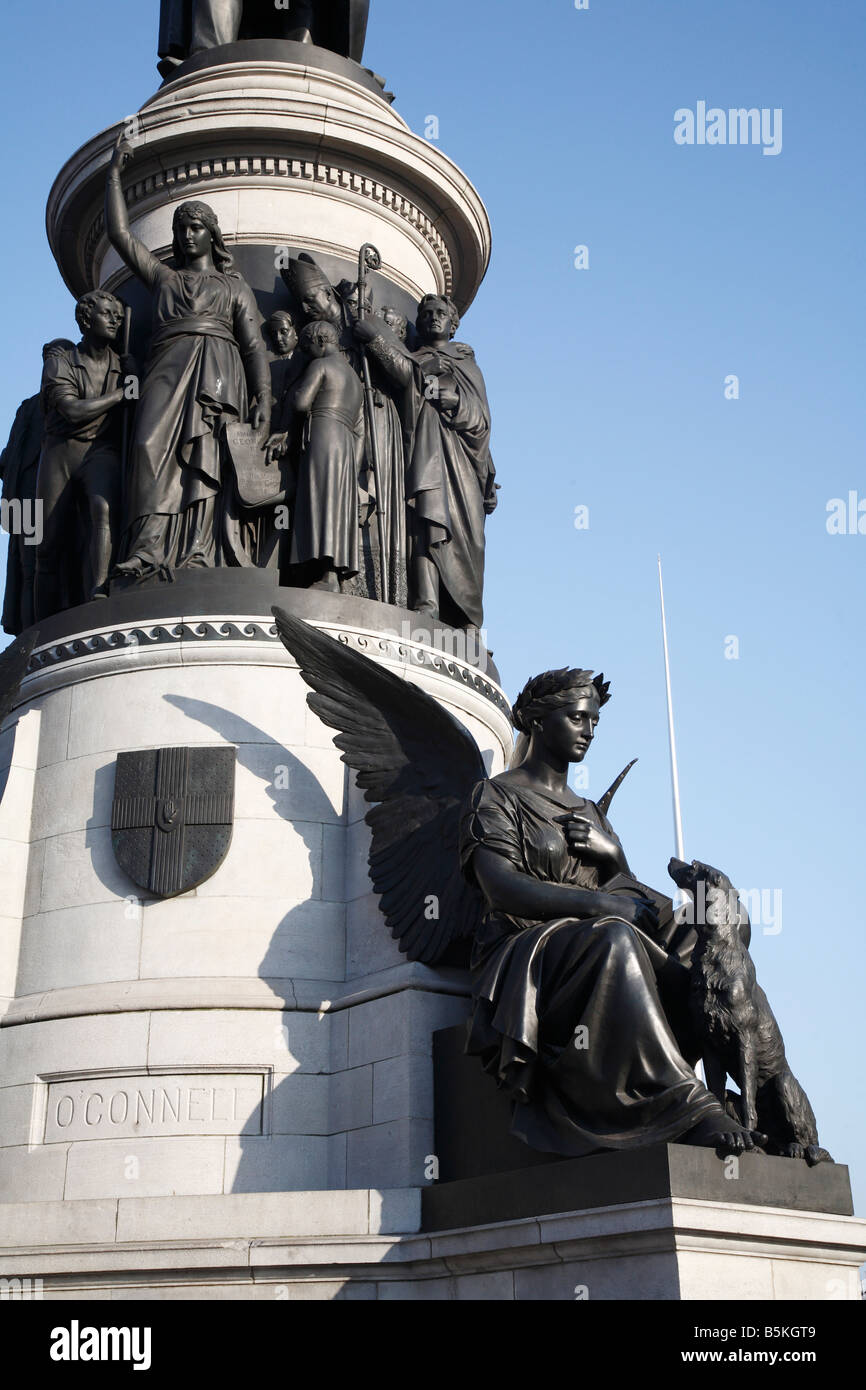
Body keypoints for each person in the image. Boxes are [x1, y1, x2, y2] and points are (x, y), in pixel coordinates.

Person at [458, 666, 758, 1157]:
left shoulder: (592, 813)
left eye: (594, 722)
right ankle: (680, 1103)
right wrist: (599, 903)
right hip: (526, 952)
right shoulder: (497, 795)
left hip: (594, 934)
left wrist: (615, 857)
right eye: (577, 718)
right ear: (537, 721)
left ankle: (751, 1098)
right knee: (615, 937)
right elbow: (501, 887)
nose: (589, 732)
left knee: (694, 932)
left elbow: (625, 892)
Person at [105, 134, 271, 579]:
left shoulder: (234, 287)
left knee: (209, 451)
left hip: (217, 369)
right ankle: (147, 549)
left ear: (211, 234)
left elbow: (254, 345)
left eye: (195, 227)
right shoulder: (163, 279)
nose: (186, 234)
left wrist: (264, 397)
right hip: (167, 367)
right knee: (147, 447)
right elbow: (120, 235)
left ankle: (201, 548)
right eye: (180, 229)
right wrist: (115, 174)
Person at [34, 296, 128, 619]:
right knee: (45, 544)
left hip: (100, 450)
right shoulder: (59, 364)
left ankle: (98, 592)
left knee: (103, 507)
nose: (115, 320)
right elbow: (72, 411)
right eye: (107, 314)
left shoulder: (122, 364)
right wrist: (118, 396)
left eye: (118, 315)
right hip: (60, 453)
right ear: (87, 321)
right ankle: (40, 625)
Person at [0, 340, 74, 633]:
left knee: (48, 558)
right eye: (46, 358)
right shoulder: (27, 406)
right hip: (20, 495)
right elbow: (10, 453)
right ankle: (29, 628)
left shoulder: (67, 400)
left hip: (54, 491)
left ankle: (47, 621)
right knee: (23, 564)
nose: (49, 364)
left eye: (55, 357)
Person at [289, 320, 363, 590]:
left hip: (322, 432)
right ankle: (333, 572)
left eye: (307, 348)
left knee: (319, 500)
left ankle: (325, 574)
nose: (307, 354)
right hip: (345, 441)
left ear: (320, 340)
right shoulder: (355, 378)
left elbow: (301, 403)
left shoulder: (320, 366)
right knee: (336, 503)